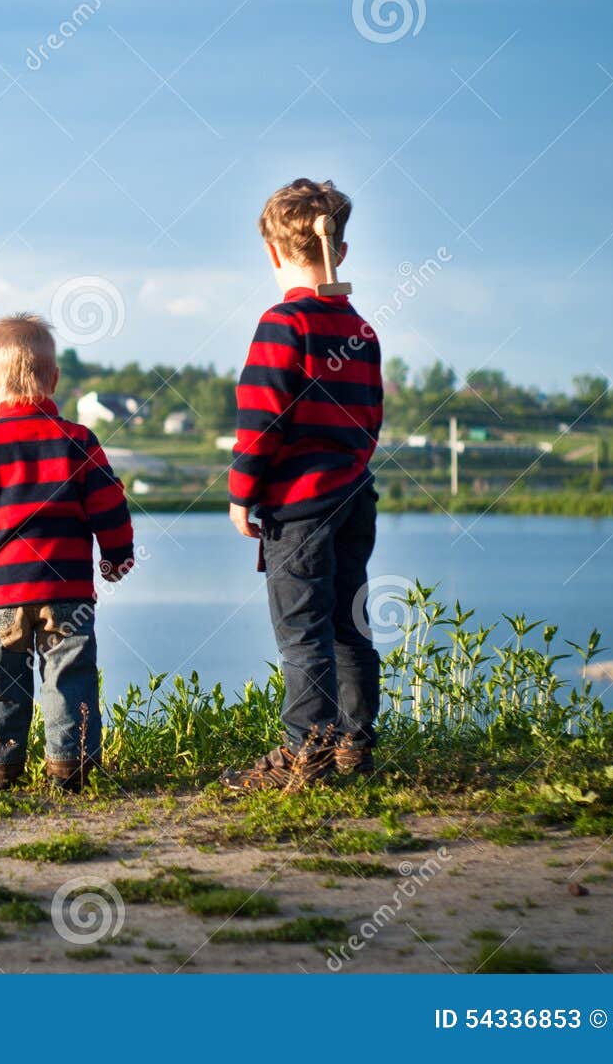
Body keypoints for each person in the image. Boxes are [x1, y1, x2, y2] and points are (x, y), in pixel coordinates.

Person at [220, 178, 385, 791]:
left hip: (300, 505)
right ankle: (354, 742)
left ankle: (304, 752)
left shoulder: (282, 323)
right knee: (351, 620)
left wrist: (243, 493)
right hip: (353, 494)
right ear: (340, 251)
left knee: (301, 631)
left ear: (272, 253)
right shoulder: (361, 329)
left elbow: (261, 417)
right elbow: (370, 418)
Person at [0, 313, 135, 791]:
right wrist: (116, 556)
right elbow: (109, 505)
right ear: (54, 380)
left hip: (0, 593)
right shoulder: (79, 441)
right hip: (67, 590)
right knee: (69, 679)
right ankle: (71, 769)